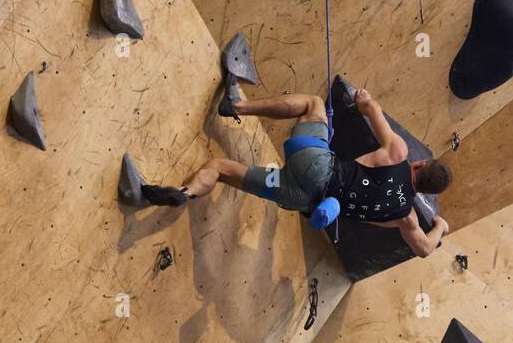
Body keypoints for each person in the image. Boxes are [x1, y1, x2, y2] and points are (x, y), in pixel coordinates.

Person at [142, 85, 452, 258]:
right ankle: (186, 193)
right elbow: (424, 249)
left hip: (315, 162)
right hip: (299, 195)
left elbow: (370, 108)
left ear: (421, 164)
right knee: (221, 169)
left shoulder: (398, 153)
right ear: (423, 190)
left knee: (312, 104)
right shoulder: (405, 216)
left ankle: (237, 106)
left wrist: (363, 99)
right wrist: (440, 226)